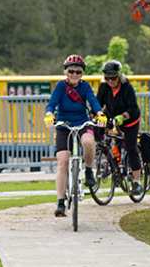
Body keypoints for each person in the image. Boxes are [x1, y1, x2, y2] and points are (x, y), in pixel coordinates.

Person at [45, 55, 107, 217]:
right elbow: (52, 103)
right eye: (71, 71)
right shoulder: (60, 86)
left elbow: (93, 101)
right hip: (63, 125)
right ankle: (60, 203)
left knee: (88, 142)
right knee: (63, 163)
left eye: (78, 72)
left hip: (82, 123)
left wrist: (100, 114)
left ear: (82, 73)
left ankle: (88, 171)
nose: (74, 74)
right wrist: (49, 115)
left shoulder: (85, 86)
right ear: (66, 72)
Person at [95, 60, 143, 195]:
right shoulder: (104, 87)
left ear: (119, 76)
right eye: (107, 78)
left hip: (129, 120)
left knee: (131, 147)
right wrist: (94, 115)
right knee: (102, 135)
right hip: (111, 116)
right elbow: (98, 104)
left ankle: (137, 182)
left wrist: (123, 117)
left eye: (113, 78)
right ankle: (111, 163)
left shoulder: (126, 87)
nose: (110, 81)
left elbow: (133, 107)